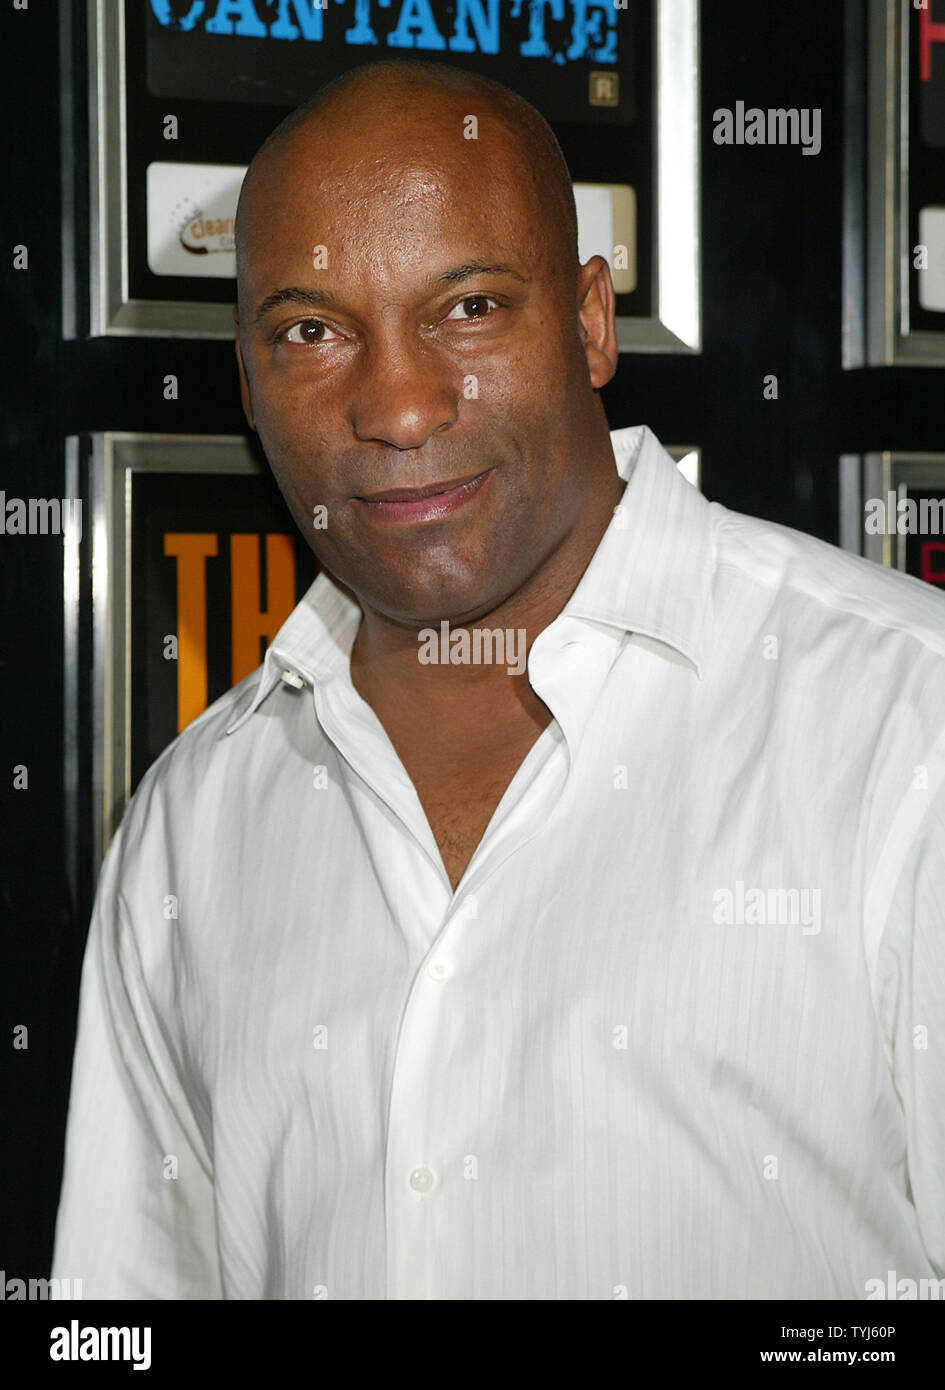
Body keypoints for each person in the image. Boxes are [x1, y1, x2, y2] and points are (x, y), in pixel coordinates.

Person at [51, 59, 944, 1300]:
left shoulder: (907, 723)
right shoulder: (190, 826)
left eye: (467, 308)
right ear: (248, 384)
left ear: (590, 322)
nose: (402, 407)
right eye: (313, 331)